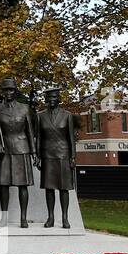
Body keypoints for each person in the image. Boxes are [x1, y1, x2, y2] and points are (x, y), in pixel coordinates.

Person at [0, 78, 35, 228]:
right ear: (2, 92)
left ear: (15, 91)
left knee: (23, 186)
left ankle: (23, 218)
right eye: (6, 90)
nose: (8, 93)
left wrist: (33, 152)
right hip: (6, 149)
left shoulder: (24, 108)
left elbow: (29, 131)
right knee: (4, 185)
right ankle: (4, 218)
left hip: (22, 148)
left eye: (11, 90)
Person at [37, 87, 77, 228]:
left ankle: (65, 218)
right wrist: (38, 155)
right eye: (49, 98)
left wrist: (73, 157)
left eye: (54, 98)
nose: (51, 100)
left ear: (58, 99)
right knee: (49, 187)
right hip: (47, 154)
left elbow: (71, 137)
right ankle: (51, 217)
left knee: (63, 188)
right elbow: (39, 138)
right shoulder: (40, 115)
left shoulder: (67, 115)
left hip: (63, 154)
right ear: (46, 100)